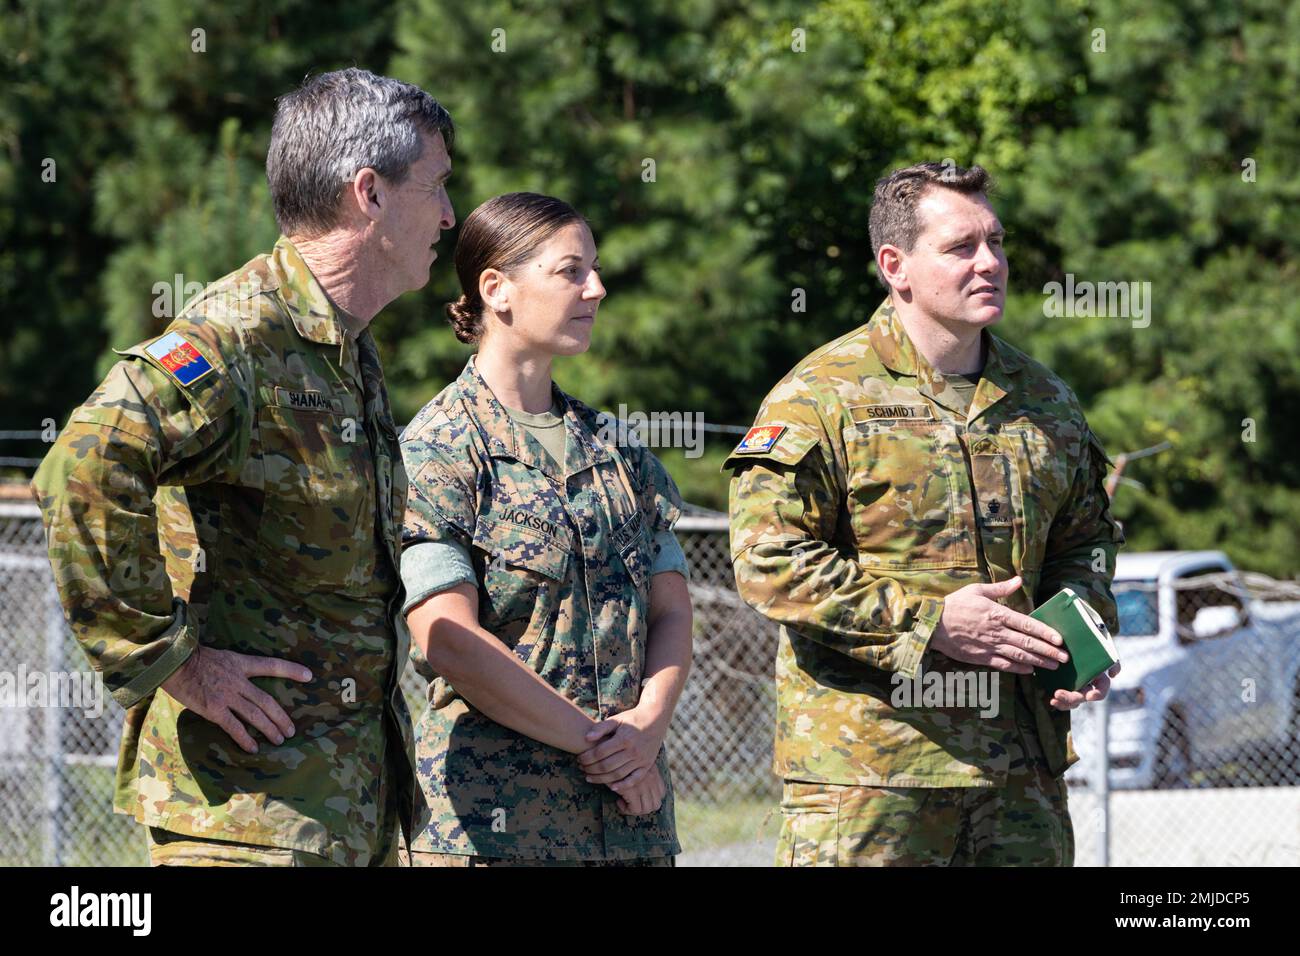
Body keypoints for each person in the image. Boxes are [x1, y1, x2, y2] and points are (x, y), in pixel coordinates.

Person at [31, 67, 457, 866]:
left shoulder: (342, 348)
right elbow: (81, 465)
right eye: (435, 187)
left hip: (335, 815)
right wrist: (172, 662)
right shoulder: (240, 337)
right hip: (243, 825)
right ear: (369, 193)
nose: (449, 215)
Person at [725, 162, 1124, 867]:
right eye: (960, 247)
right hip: (872, 775)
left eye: (996, 242)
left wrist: (1079, 633)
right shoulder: (823, 394)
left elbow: (1084, 541)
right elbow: (770, 561)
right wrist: (932, 623)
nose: (990, 263)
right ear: (895, 265)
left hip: (1018, 772)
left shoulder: (1045, 400)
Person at [399, 192, 693, 866]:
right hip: (496, 830)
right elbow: (449, 641)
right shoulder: (440, 448)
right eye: (571, 271)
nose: (598, 287)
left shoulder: (619, 450)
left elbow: (672, 612)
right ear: (496, 289)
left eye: (594, 268)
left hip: (631, 825)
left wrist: (647, 727)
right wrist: (606, 748)